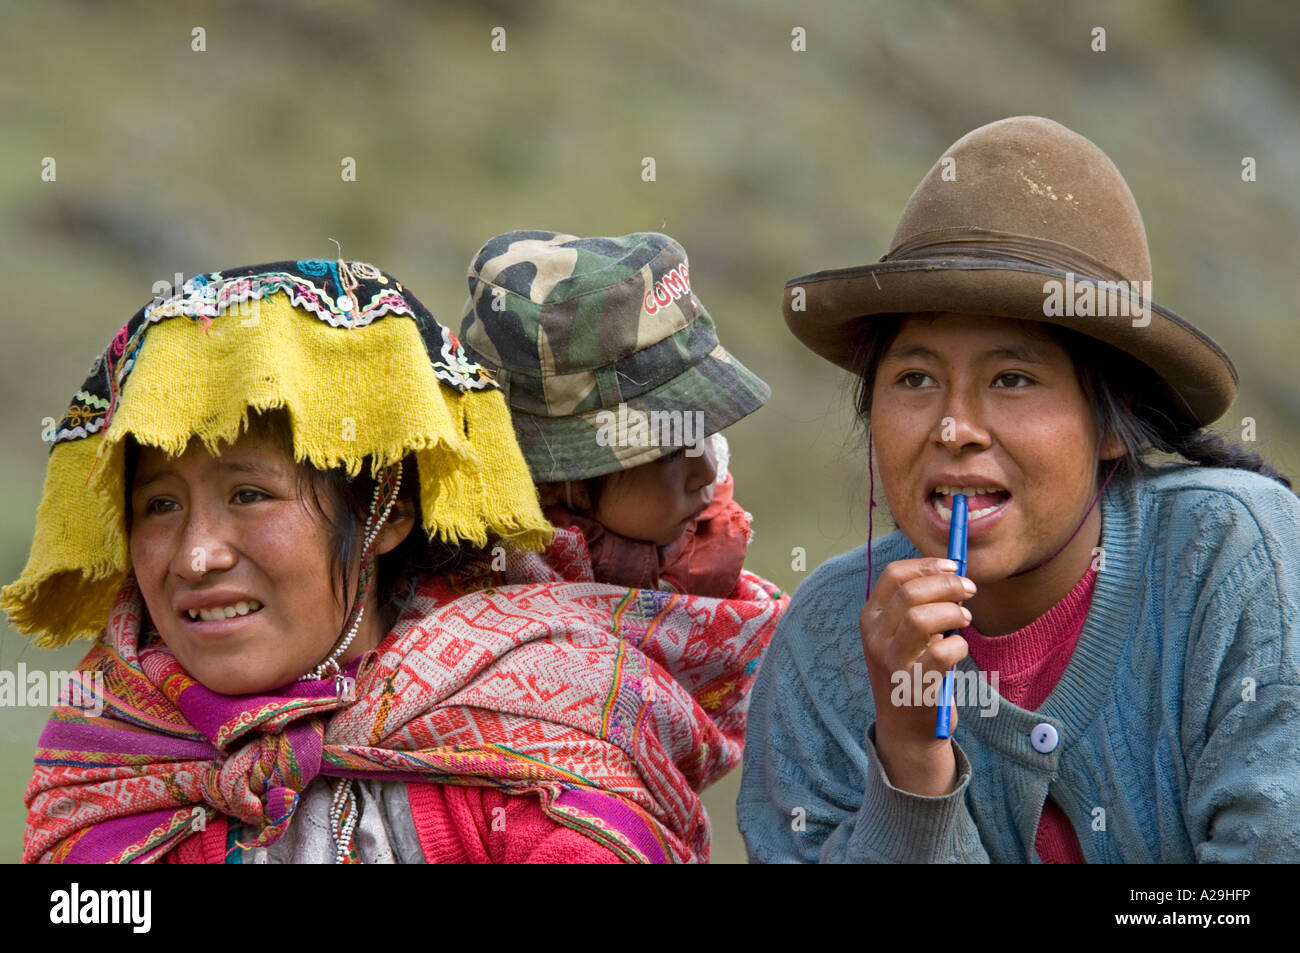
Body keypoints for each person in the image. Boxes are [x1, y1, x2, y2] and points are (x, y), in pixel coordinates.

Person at [6, 257, 781, 863]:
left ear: (387, 513)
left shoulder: (541, 735)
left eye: (249, 495)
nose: (196, 556)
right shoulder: (109, 754)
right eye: (160, 505)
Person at [737, 116, 1300, 862]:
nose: (954, 427)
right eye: (915, 378)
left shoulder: (1232, 558)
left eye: (1012, 379)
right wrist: (911, 762)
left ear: (1114, 420)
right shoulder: (825, 642)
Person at [457, 229, 780, 602]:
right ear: (554, 482)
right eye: (668, 451)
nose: (708, 470)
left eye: (703, 429)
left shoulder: (724, 580)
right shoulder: (495, 623)